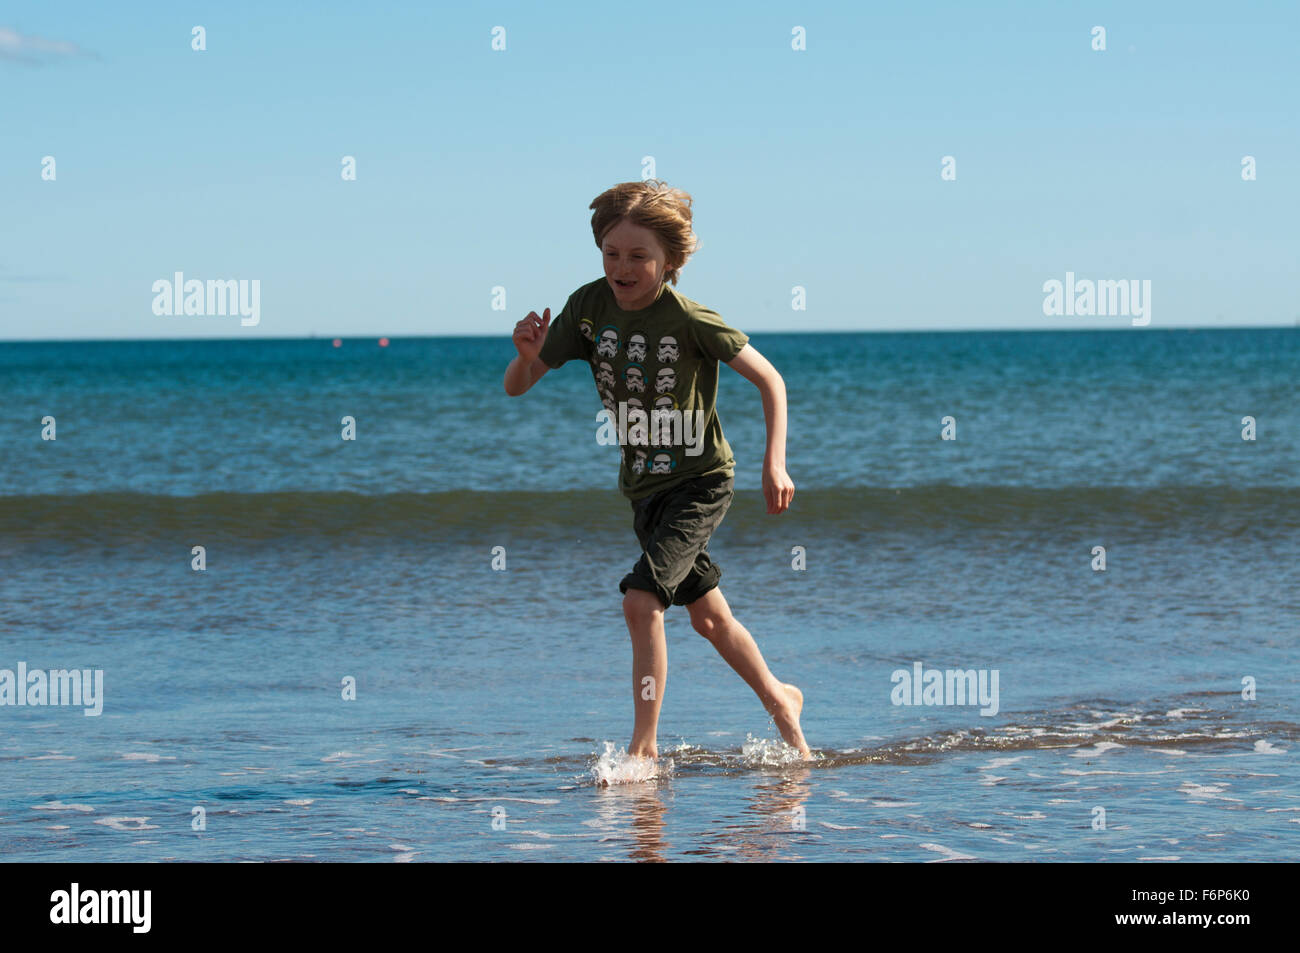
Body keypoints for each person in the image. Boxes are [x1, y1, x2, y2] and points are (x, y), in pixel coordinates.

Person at [503, 179, 811, 764]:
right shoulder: (587, 308)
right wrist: (523, 358)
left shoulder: (691, 318)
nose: (622, 267)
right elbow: (518, 388)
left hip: (701, 482)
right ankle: (781, 699)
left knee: (641, 601)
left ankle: (642, 752)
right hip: (644, 490)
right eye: (611, 253)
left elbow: (771, 380)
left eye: (638, 256)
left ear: (670, 261)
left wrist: (776, 463)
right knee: (710, 621)